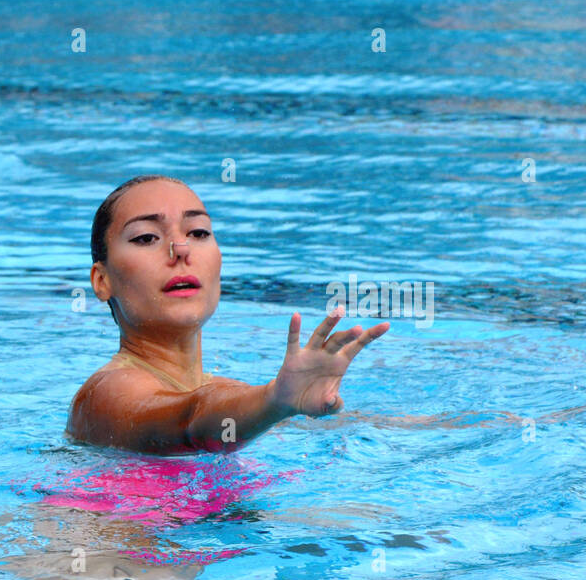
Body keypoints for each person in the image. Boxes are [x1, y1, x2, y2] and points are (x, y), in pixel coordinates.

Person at [66, 175, 389, 454]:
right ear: (102, 281)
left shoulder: (237, 396)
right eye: (146, 237)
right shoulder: (103, 396)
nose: (181, 248)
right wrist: (276, 400)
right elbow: (190, 421)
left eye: (198, 232)